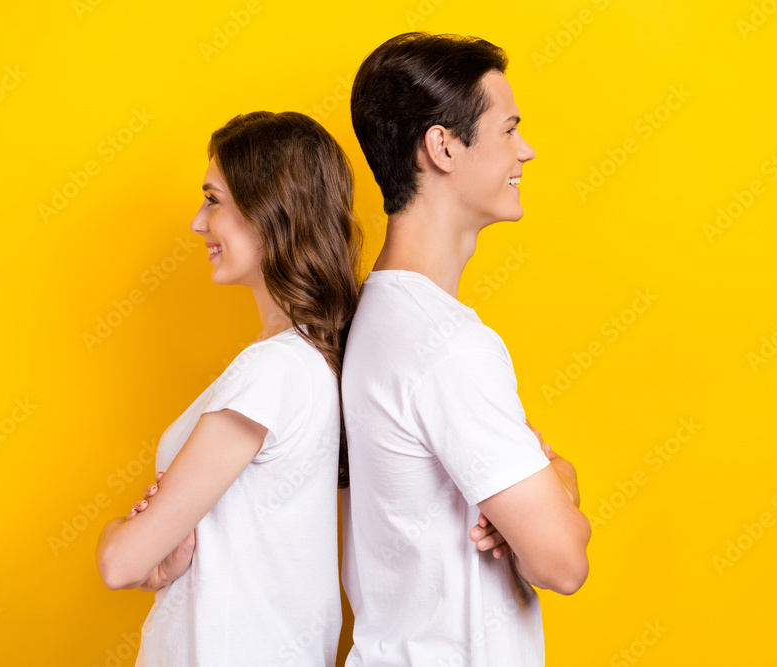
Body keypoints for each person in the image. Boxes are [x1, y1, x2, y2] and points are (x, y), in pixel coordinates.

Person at [341, 32, 591, 665]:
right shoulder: (446, 344)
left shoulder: (375, 316)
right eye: (508, 129)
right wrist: (560, 477)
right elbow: (562, 561)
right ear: (443, 146)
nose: (525, 151)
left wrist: (536, 503)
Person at [96, 110, 363, 666]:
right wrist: (160, 559)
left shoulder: (273, 371)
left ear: (271, 211)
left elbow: (118, 563)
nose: (198, 222)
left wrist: (124, 532)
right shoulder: (309, 363)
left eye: (213, 200)